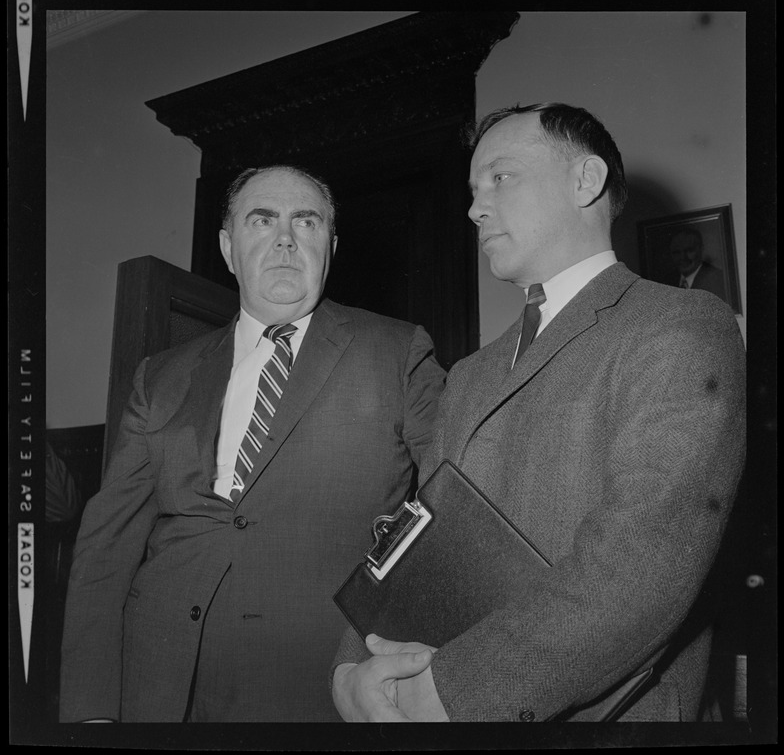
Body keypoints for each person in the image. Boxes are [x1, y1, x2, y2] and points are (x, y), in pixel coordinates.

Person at [331, 103, 746, 722]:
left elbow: (640, 568)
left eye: (499, 178)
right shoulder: (469, 374)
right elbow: (414, 542)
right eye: (473, 190)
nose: (474, 208)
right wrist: (350, 671)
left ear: (586, 181)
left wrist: (451, 693)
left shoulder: (680, 325)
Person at [59, 165, 445, 722]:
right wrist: (91, 712)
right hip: (158, 685)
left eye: (305, 222)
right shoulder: (160, 376)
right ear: (227, 248)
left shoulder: (397, 351)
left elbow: (457, 511)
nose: (285, 238)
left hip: (316, 684)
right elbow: (106, 547)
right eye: (261, 220)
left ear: (331, 247)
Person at [669, 227, 728, 302]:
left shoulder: (719, 279)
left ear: (701, 249)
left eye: (689, 250)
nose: (683, 257)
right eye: (677, 252)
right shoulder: (667, 282)